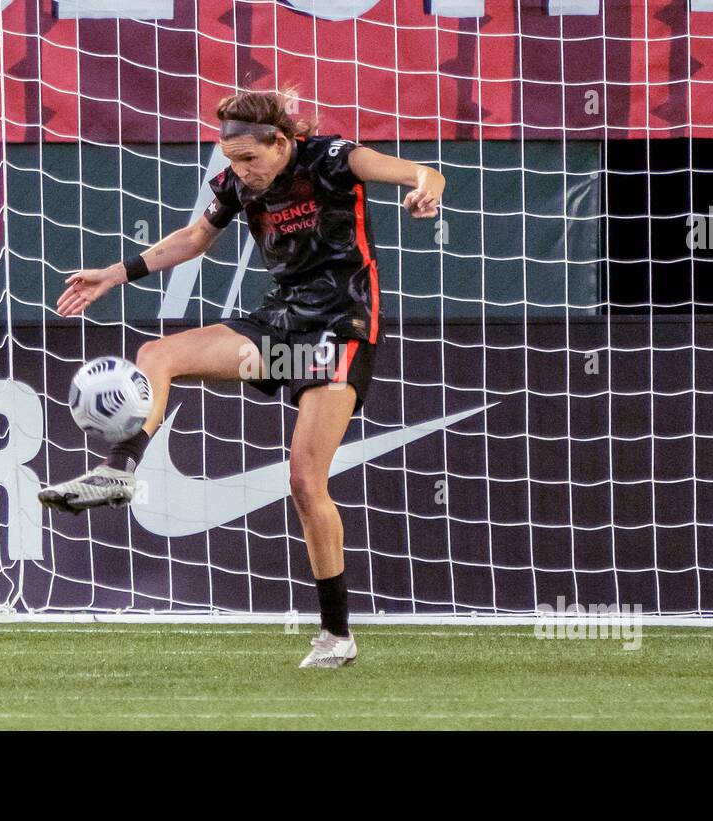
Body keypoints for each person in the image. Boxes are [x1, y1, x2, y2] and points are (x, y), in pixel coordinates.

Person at [38, 88, 445, 668]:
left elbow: (418, 171)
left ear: (282, 143)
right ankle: (119, 472)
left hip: (338, 335)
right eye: (232, 160)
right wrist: (114, 273)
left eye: (251, 159)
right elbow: (195, 238)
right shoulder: (235, 184)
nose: (241, 171)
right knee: (158, 353)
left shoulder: (331, 159)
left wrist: (427, 185)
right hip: (277, 334)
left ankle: (336, 635)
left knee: (306, 481)